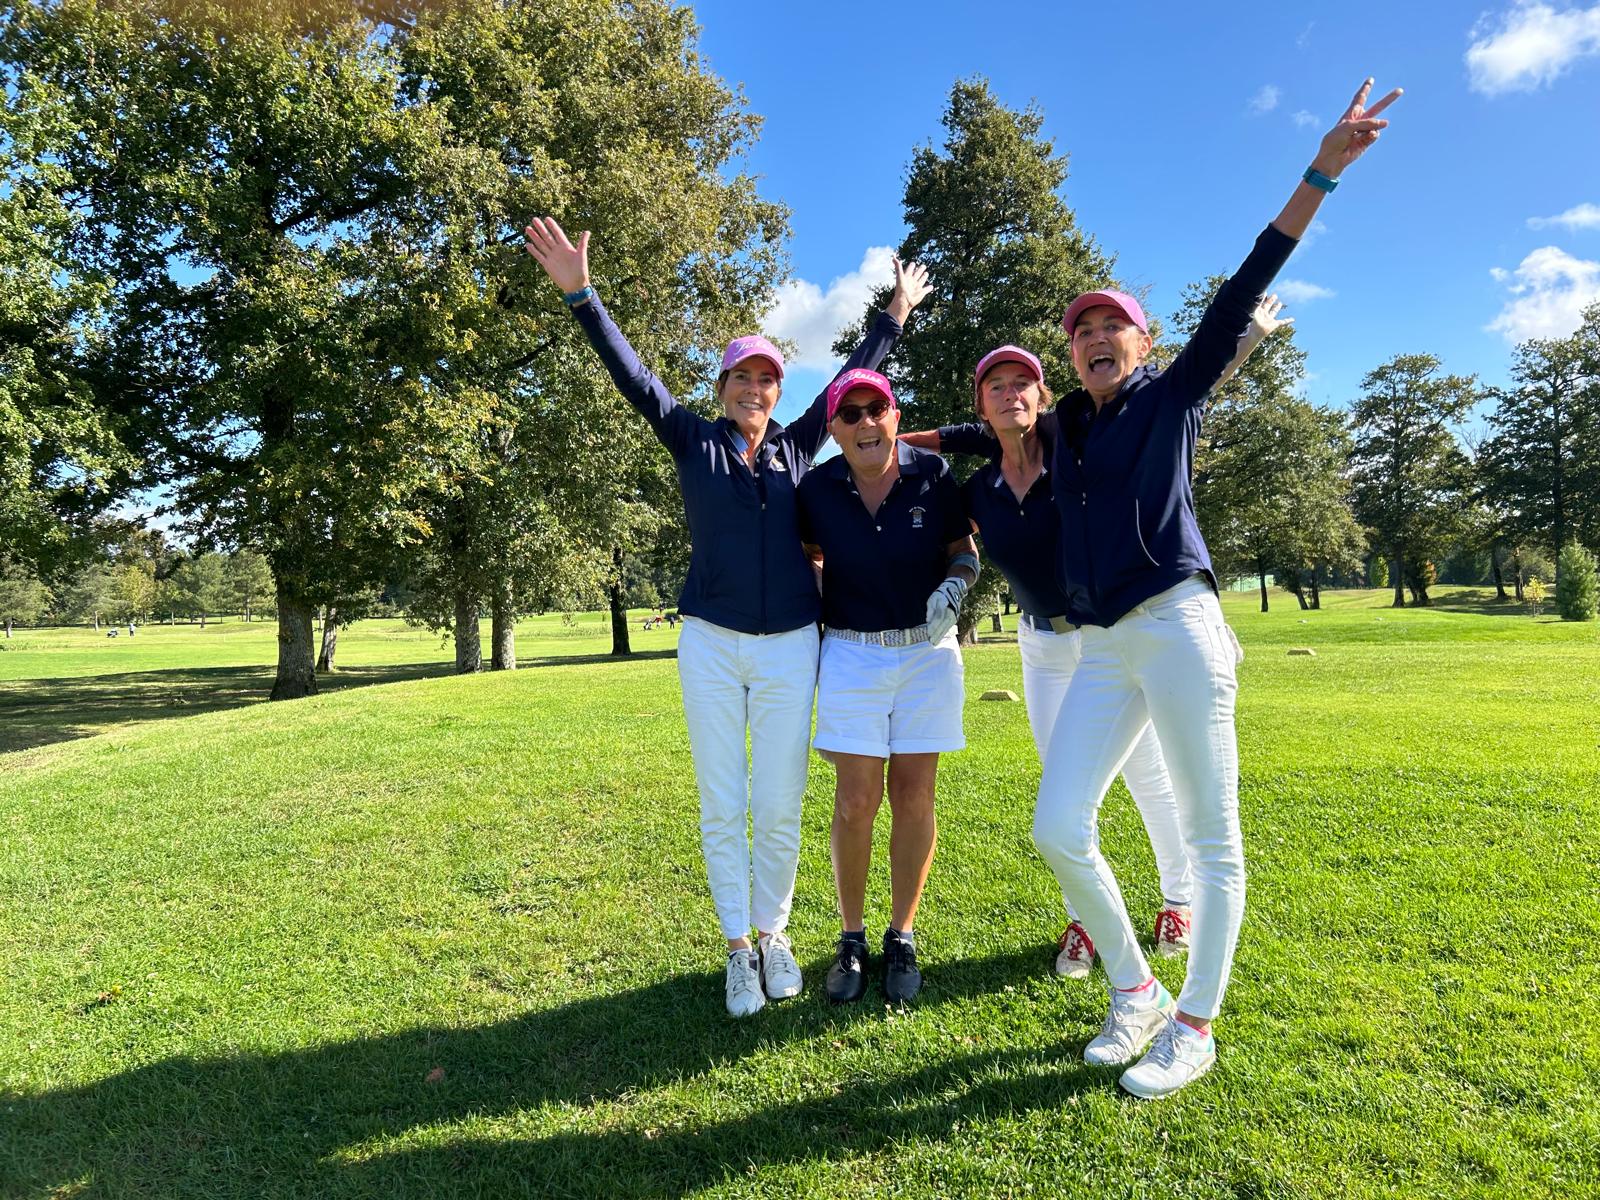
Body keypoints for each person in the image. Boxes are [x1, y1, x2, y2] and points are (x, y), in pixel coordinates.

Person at [1028, 79, 1401, 1098]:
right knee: (1056, 826)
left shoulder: (1172, 393)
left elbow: (1243, 283)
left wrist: (1319, 171)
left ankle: (1193, 1024)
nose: (1094, 336)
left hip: (1181, 629)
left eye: (1113, 327)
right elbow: (988, 439)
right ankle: (1137, 990)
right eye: (1080, 331)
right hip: (1102, 643)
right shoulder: (1070, 428)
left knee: (1209, 837)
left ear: (1143, 345)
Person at [523, 217, 931, 1017]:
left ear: (779, 391)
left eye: (767, 379)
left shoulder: (794, 446)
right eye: (741, 378)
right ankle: (738, 949)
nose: (755, 389)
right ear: (722, 389)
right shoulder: (692, 440)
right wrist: (582, 296)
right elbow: (634, 376)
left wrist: (894, 316)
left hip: (788, 649)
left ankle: (774, 932)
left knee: (778, 801)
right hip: (711, 644)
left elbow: (853, 376)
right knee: (723, 801)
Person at [902, 296, 1292, 977]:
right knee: (1065, 795)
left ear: (1046, 396)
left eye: (1022, 384)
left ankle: (1178, 901)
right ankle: (1084, 917)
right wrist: (899, 437)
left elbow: (1174, 401)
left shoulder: (1076, 444)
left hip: (1105, 634)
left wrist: (1249, 339)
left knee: (1150, 779)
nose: (1009, 396)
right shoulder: (982, 488)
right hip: (1041, 646)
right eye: (995, 387)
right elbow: (978, 436)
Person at [795, 369, 978, 1004]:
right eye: (851, 415)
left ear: (895, 416)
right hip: (850, 653)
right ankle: (852, 938)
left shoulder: (934, 474)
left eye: (878, 410)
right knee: (854, 800)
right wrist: (813, 586)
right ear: (836, 429)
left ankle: (902, 933)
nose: (866, 423)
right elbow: (811, 552)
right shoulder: (816, 487)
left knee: (914, 796)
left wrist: (957, 584)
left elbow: (964, 548)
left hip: (927, 655)